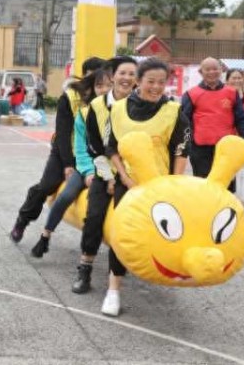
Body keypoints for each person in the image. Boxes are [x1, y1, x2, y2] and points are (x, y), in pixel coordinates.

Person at [100, 57, 191, 316]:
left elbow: (182, 150)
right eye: (150, 81)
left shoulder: (174, 112)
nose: (156, 87)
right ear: (138, 82)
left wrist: (173, 183)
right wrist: (126, 180)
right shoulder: (117, 110)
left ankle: (163, 269)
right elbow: (111, 147)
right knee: (123, 233)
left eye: (161, 82)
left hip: (161, 185)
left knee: (167, 231)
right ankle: (113, 289)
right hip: (128, 184)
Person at [10, 57, 107, 242]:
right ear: (85, 76)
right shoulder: (70, 97)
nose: (101, 85)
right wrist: (68, 164)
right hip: (65, 150)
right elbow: (63, 132)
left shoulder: (108, 99)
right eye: (96, 79)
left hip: (93, 153)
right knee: (47, 185)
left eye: (104, 81)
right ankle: (23, 219)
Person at [71, 56, 138, 294]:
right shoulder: (95, 109)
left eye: (132, 74)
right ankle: (85, 268)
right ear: (112, 77)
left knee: (127, 222)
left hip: (133, 174)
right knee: (95, 216)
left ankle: (118, 272)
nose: (127, 78)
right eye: (122, 73)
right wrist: (108, 177)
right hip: (104, 170)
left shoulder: (140, 106)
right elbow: (94, 148)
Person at [30, 68, 113, 258]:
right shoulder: (84, 113)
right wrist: (88, 171)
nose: (104, 90)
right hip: (87, 166)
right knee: (67, 195)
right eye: (99, 85)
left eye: (109, 85)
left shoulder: (123, 111)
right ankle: (45, 235)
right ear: (92, 88)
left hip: (114, 167)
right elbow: (81, 147)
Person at [181, 57, 244, 191]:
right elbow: (184, 122)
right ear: (200, 72)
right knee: (203, 184)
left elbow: (241, 119)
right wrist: (187, 145)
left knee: (227, 185)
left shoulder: (231, 93)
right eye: (207, 69)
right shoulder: (191, 94)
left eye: (215, 69)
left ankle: (227, 210)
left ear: (221, 71)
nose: (212, 72)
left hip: (227, 148)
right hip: (200, 148)